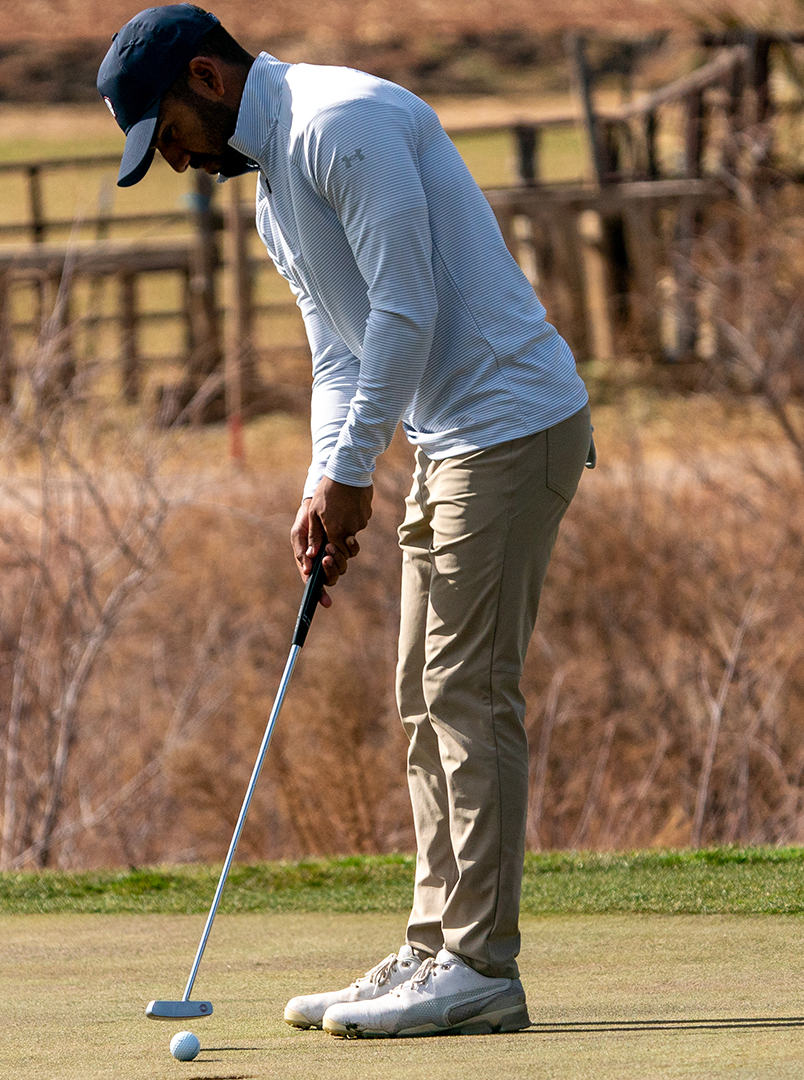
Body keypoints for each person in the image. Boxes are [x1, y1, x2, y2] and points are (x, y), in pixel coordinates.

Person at [97, 4, 592, 1039]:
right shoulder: (277, 186)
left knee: (466, 690)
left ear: (207, 76)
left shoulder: (340, 123)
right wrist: (326, 478)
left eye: (169, 132)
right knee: (422, 691)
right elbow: (339, 349)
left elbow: (405, 310)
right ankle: (430, 949)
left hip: (509, 422)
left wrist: (359, 470)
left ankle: (479, 965)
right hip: (454, 440)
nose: (177, 160)